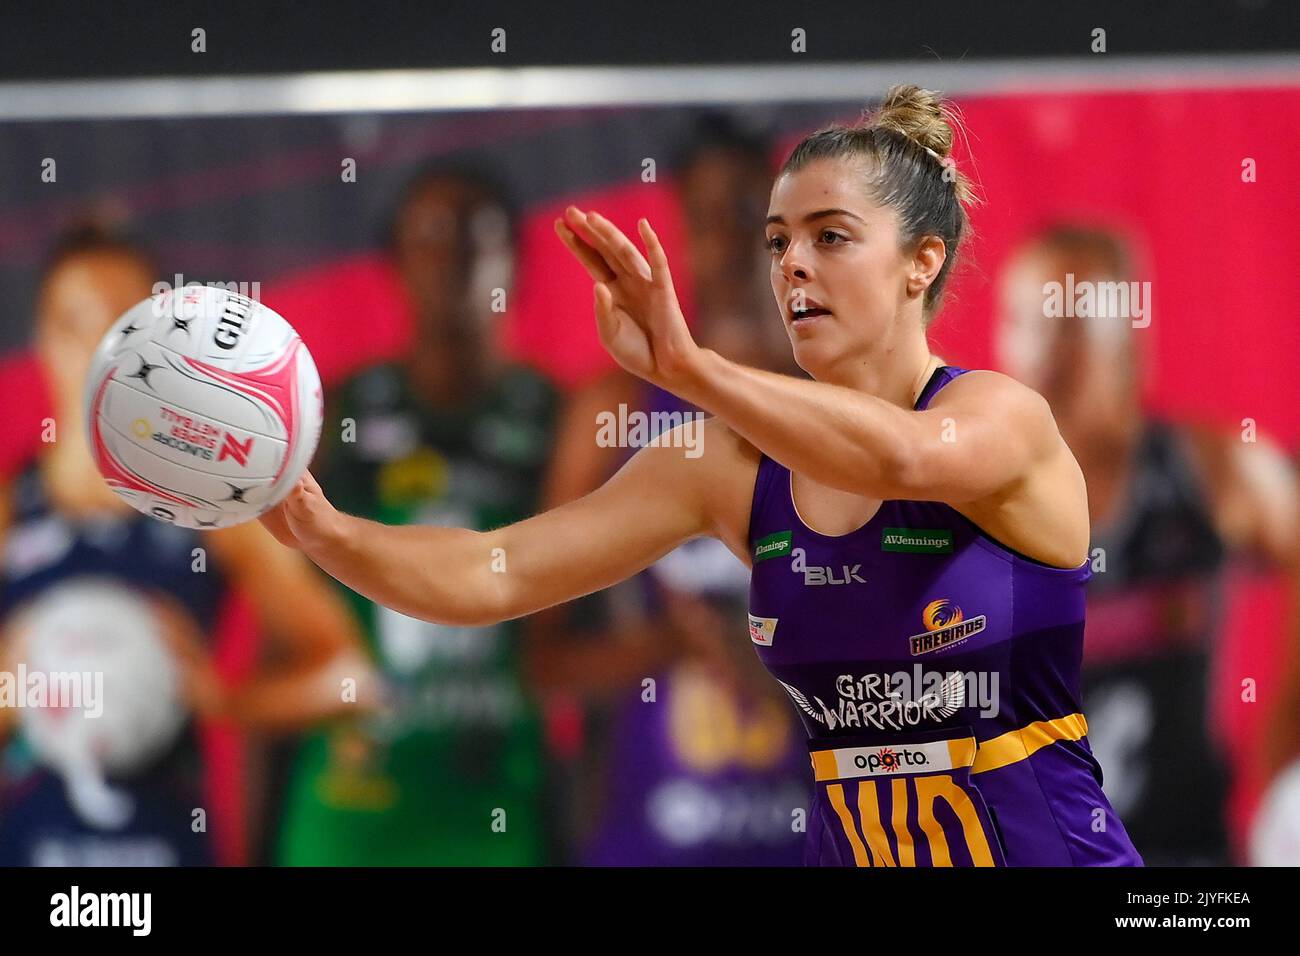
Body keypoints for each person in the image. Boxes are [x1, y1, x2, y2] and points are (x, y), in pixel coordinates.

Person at [261, 85, 1143, 866]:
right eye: (779, 240)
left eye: (831, 237)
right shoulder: (725, 467)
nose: (793, 263)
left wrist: (688, 371)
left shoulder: (1000, 418)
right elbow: (495, 575)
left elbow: (899, 459)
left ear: (923, 261)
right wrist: (327, 532)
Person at [0, 224, 372, 866]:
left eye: (121, 325)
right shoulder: (10, 507)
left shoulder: (211, 506)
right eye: (73, 323)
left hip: (167, 849)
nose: (95, 348)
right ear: (42, 339)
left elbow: (350, 679)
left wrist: (223, 697)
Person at [534, 115, 811, 865]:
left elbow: (927, 646)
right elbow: (540, 660)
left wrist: (792, 658)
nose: (727, 243)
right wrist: (667, 644)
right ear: (681, 229)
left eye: (749, 219)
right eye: (707, 218)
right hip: (647, 837)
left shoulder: (842, 403)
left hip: (817, 837)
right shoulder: (616, 408)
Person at [273, 163, 561, 866]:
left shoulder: (560, 419)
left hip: (494, 800)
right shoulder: (337, 410)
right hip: (351, 800)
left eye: (474, 237)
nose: (452, 257)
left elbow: (575, 638)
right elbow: (287, 634)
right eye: (429, 238)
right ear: (395, 263)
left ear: (514, 264)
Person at [996, 225, 1298, 864]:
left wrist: (1283, 740)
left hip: (1186, 865)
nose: (1049, 345)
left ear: (1128, 333)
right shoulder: (965, 508)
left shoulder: (1205, 471)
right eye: (1029, 319)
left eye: (1074, 317)